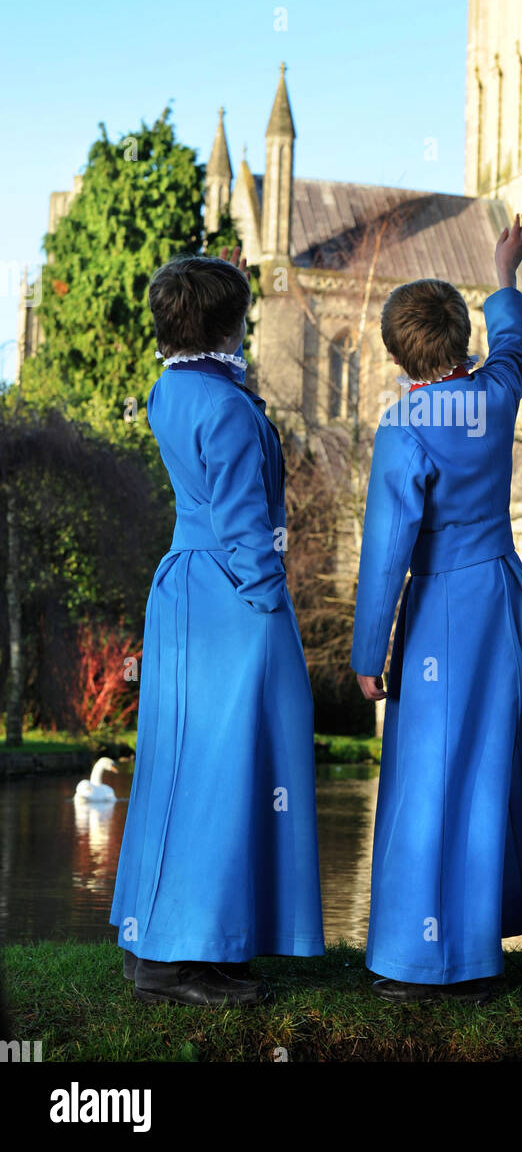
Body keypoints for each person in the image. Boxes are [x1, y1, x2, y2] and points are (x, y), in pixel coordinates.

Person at [110, 251, 324, 1006]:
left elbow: (204, 362)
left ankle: (158, 945)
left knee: (181, 768)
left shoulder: (170, 389)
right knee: (221, 771)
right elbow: (243, 530)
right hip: (231, 598)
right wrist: (272, 610)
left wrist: (212, 291)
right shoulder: (228, 408)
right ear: (233, 326)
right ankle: (184, 960)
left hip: (183, 588)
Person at [351, 213, 522, 1005]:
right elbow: (518, 350)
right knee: (485, 766)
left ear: (398, 355)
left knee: (427, 774)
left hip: (436, 604)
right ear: (457, 341)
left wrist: (370, 652)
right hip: (497, 598)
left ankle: (415, 961)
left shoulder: (403, 427)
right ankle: (470, 956)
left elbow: (386, 551)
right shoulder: (495, 397)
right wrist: (505, 271)